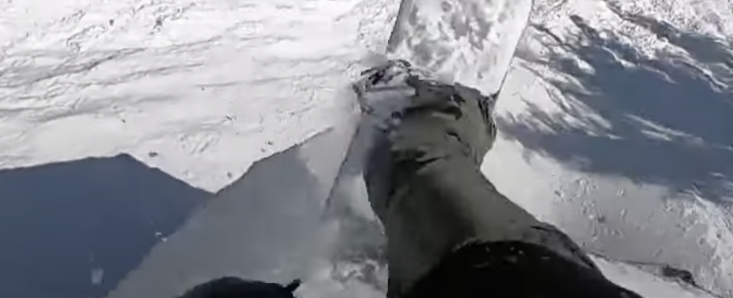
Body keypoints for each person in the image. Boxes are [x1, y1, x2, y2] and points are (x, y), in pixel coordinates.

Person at [175, 66, 644, 298]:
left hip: (486, 273)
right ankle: (441, 112)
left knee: (410, 158)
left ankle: (423, 116)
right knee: (413, 166)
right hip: (508, 274)